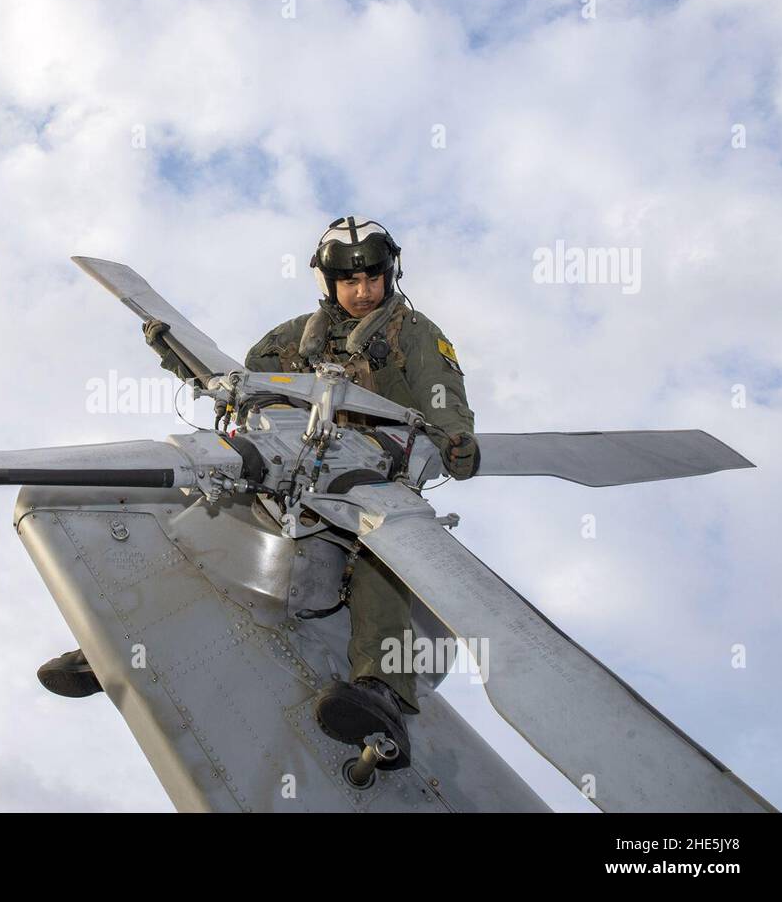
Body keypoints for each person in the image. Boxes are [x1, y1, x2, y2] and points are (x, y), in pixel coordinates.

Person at [38, 217, 480, 770]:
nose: (363, 291)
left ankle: (383, 693)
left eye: (373, 278)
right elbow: (245, 388)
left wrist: (457, 440)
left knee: (383, 560)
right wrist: (180, 357)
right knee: (203, 522)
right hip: (294, 474)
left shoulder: (413, 333)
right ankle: (115, 644)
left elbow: (443, 398)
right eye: (350, 281)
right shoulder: (298, 335)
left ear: (391, 276)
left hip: (371, 485)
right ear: (329, 284)